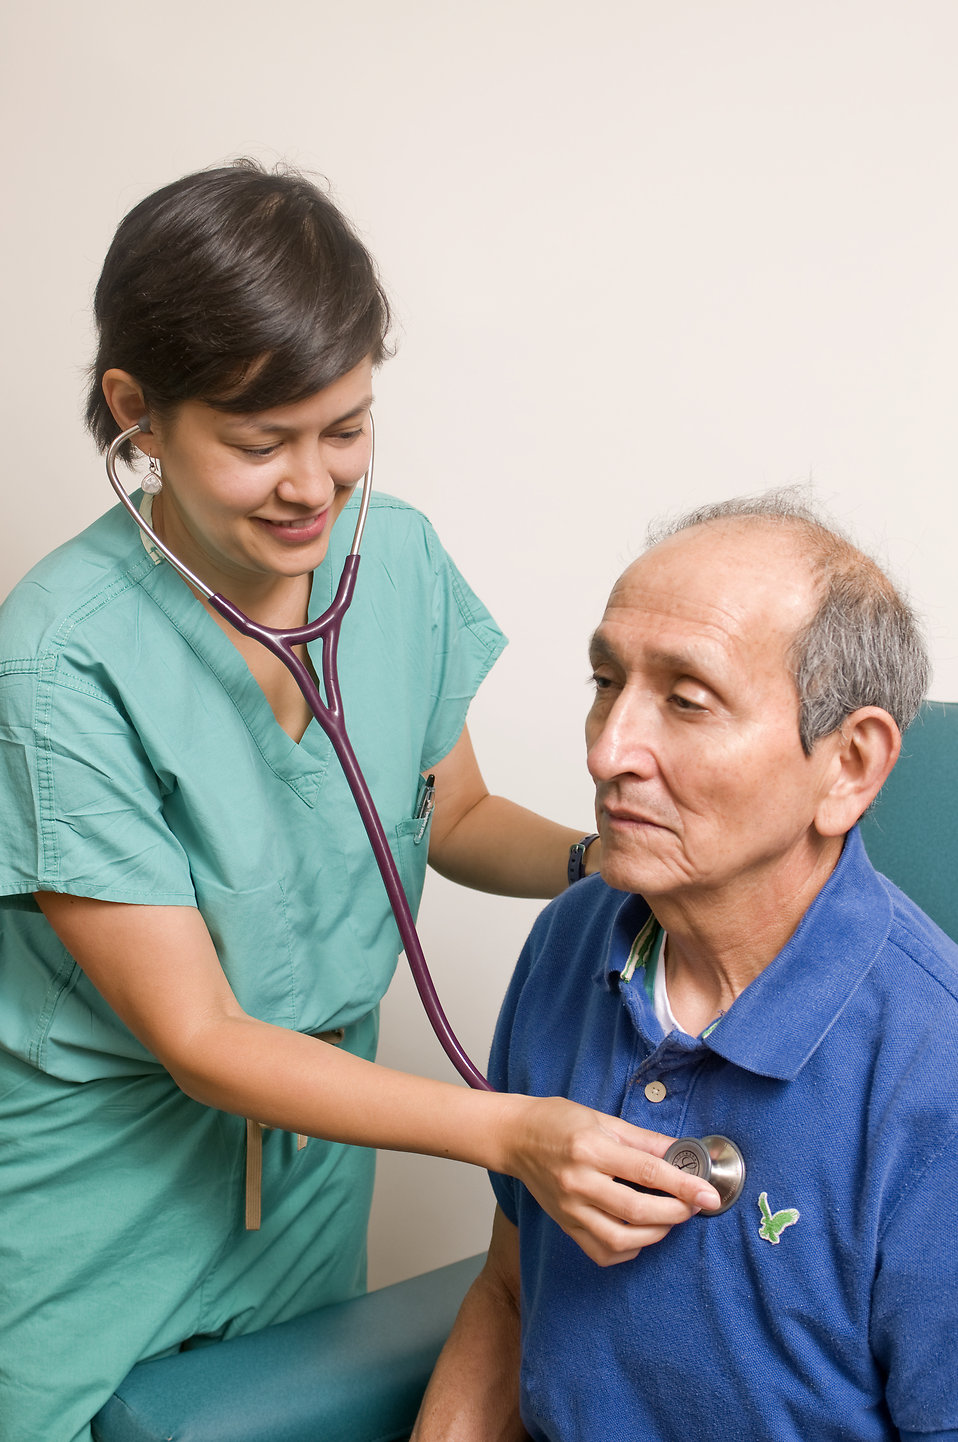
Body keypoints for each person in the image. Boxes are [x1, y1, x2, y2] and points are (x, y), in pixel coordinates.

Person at [0, 161, 719, 1442]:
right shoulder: (61, 662)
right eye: (258, 441)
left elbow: (446, 816)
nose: (313, 487)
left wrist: (603, 860)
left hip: (313, 1159)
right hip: (93, 1182)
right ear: (137, 414)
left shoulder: (397, 563)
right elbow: (202, 1035)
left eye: (345, 429)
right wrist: (513, 1133)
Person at [412, 493, 958, 1442]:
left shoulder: (932, 1072)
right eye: (604, 681)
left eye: (686, 700)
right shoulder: (573, 938)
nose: (609, 749)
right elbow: (507, 1296)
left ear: (849, 766)